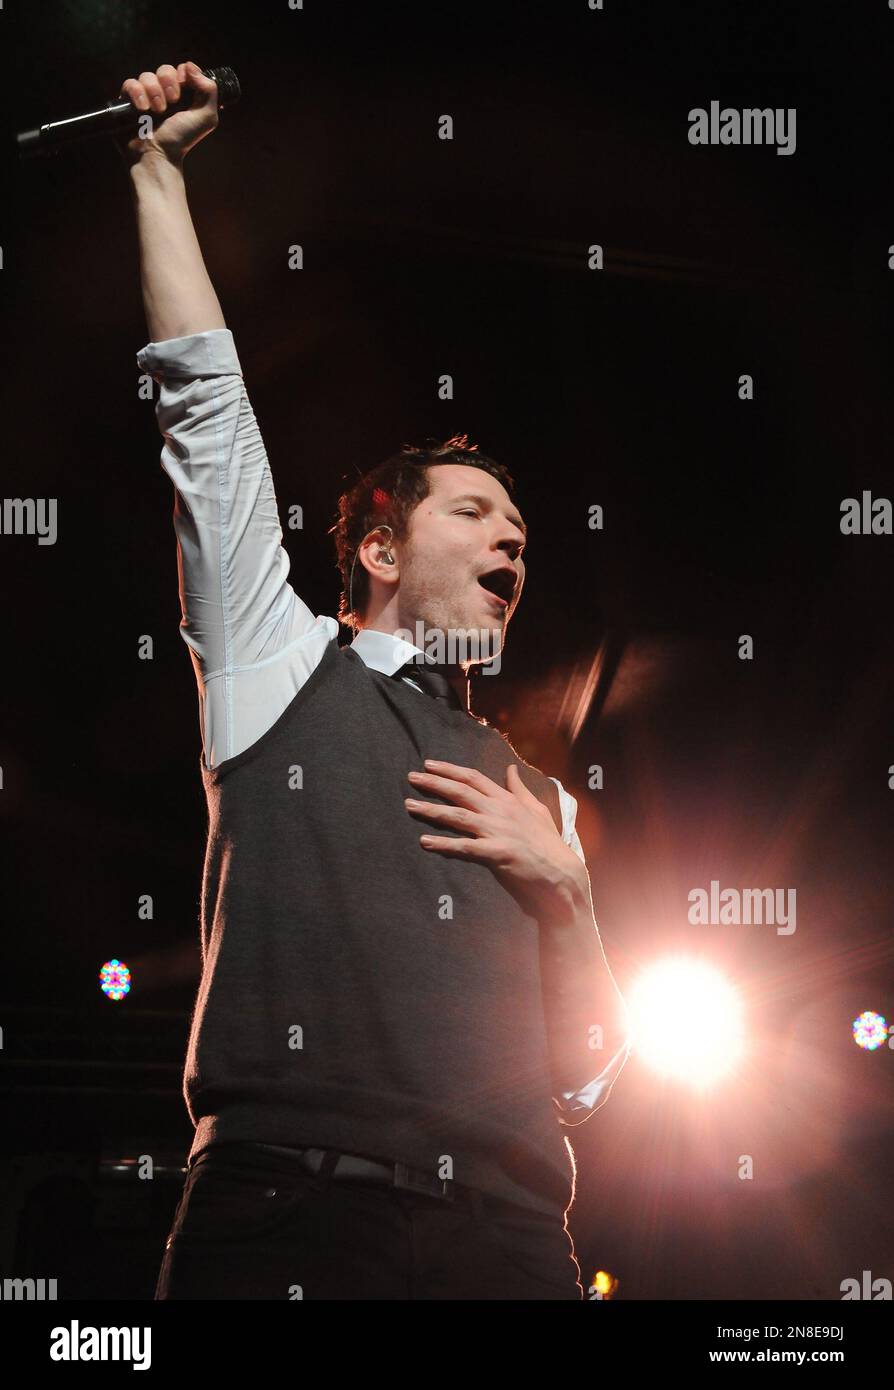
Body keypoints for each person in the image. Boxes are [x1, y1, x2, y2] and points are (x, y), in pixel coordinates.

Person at [121, 61, 631, 1300]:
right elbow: (205, 408)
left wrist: (572, 898)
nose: (515, 538)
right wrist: (156, 169)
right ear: (381, 548)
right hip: (288, 1211)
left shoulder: (542, 802)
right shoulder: (277, 662)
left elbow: (585, 1079)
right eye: (477, 512)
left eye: (522, 526)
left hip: (511, 1239)